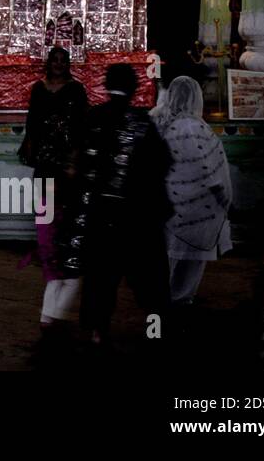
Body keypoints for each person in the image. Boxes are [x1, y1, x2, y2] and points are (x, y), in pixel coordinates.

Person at [67, 63, 172, 347]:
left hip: (101, 214)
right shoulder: (142, 123)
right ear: (135, 88)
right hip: (137, 215)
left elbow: (80, 167)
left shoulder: (94, 118)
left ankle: (97, 331)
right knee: (150, 279)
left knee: (101, 277)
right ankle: (154, 329)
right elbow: (162, 163)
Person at [18, 46, 90, 330]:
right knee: (46, 217)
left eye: (63, 60)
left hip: (69, 164)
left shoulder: (76, 90)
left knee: (67, 220)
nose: (59, 64)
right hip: (46, 164)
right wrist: (30, 145)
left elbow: (83, 125)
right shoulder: (38, 89)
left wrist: (76, 157)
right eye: (55, 60)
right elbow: (32, 122)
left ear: (68, 63)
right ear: (48, 63)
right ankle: (51, 258)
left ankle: (61, 264)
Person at [151, 75, 232, 307]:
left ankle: (163, 300)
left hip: (167, 204)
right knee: (190, 262)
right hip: (199, 209)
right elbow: (210, 170)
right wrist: (224, 199)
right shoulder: (196, 128)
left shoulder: (158, 120)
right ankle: (182, 300)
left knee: (167, 256)